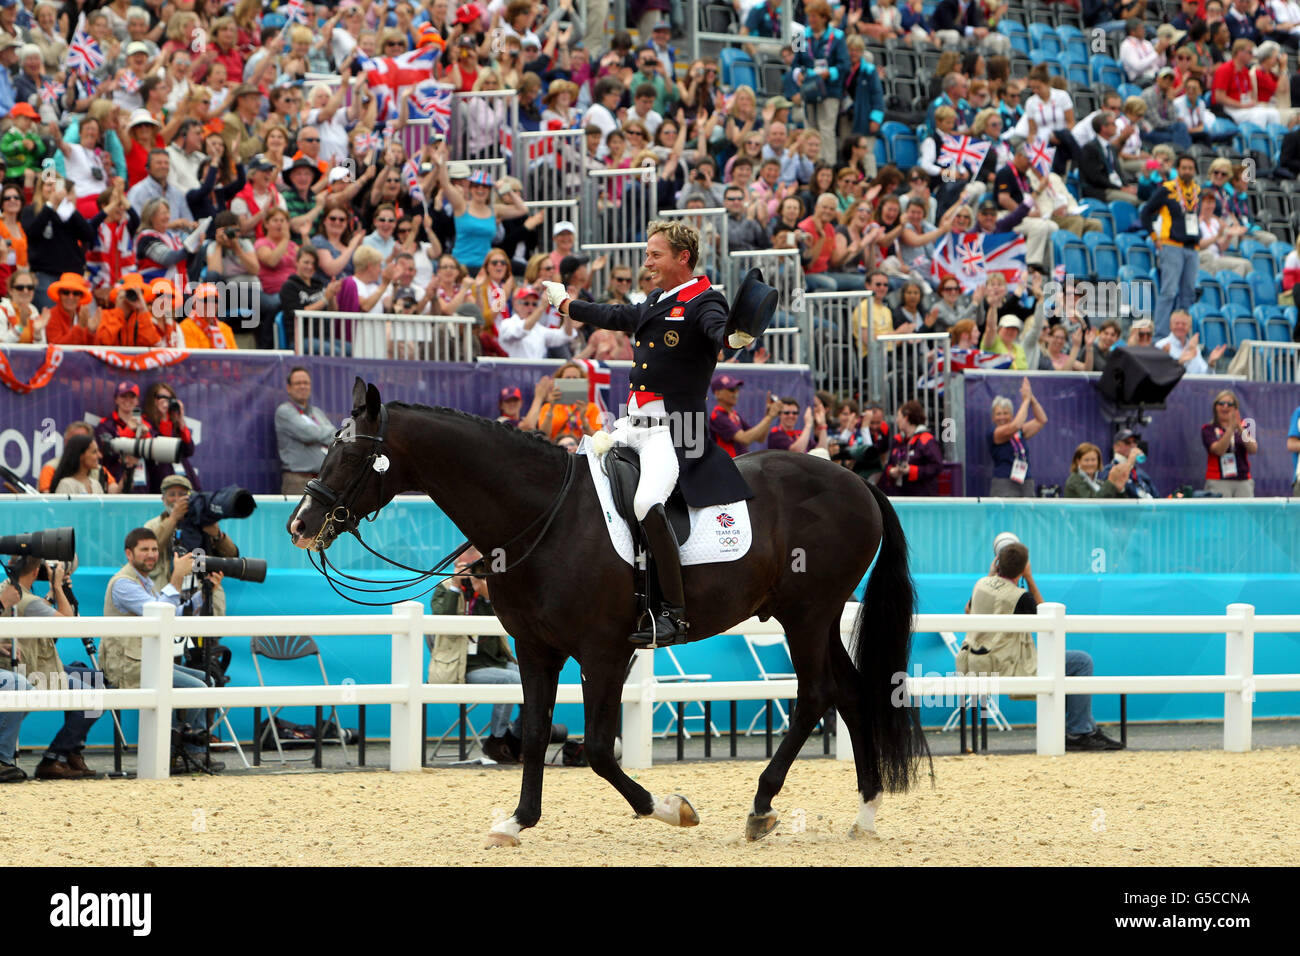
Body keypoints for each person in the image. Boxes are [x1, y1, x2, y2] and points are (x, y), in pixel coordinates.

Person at [542, 220, 760, 645]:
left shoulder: (704, 300)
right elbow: (616, 314)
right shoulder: (658, 299)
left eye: (655, 254)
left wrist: (732, 338)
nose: (647, 262)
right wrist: (568, 305)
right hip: (632, 425)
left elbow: (719, 332)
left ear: (683, 258)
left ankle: (673, 613)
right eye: (647, 253)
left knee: (646, 501)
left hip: (674, 430)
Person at [956, 541, 1124, 751]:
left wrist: (992, 575)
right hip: (1008, 666)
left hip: (973, 664)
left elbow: (967, 609)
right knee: (1081, 662)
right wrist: (1029, 579)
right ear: (1024, 567)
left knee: (1073, 665)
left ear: (997, 563)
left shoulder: (981, 584)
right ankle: (1079, 731)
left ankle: (1085, 728)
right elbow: (1047, 620)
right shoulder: (1020, 596)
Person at [100, 528, 225, 773]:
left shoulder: (144, 581)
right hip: (129, 667)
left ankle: (192, 750)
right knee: (199, 689)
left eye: (154, 549)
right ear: (129, 553)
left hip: (147, 661)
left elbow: (173, 613)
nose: (151, 555)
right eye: (144, 550)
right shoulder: (123, 583)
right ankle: (176, 749)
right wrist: (177, 577)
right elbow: (159, 615)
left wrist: (205, 591)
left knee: (206, 680)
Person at [426, 547, 566, 764]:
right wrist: (456, 585)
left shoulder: (491, 589)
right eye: (468, 566)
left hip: (494, 661)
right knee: (512, 680)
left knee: (536, 678)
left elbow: (508, 618)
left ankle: (517, 740)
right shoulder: (444, 588)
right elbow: (443, 620)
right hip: (462, 667)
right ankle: (496, 740)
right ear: (457, 564)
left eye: (477, 566)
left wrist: (488, 596)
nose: (473, 571)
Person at [0, 555, 103, 779]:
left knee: (91, 676)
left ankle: (73, 751)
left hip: (40, 663)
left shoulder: (13, 591)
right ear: (37, 571)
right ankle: (55, 758)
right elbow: (66, 624)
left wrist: (53, 593)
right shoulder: (26, 600)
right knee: (94, 694)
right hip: (35, 671)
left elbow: (41, 614)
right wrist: (56, 585)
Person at [1142, 153, 1202, 339]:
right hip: (1171, 245)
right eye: (1183, 168)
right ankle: (1160, 334)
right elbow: (1146, 213)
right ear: (1178, 169)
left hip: (1192, 249)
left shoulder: (1197, 191)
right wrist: (1154, 237)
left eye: (1190, 168)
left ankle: (1181, 334)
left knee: (1187, 294)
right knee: (1168, 291)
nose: (1187, 171)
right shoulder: (1166, 189)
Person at [276, 367, 337, 496]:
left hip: (322, 480)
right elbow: (309, 433)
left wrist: (322, 434)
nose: (302, 386)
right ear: (289, 388)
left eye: (306, 383)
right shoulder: (284, 411)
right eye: (298, 383)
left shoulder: (317, 412)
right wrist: (325, 432)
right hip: (298, 481)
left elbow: (335, 437)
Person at [988, 379, 1048, 496]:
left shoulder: (1019, 432)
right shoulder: (994, 433)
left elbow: (1042, 420)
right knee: (1005, 514)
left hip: (1025, 479)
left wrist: (1031, 398)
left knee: (1026, 513)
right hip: (1004, 482)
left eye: (1006, 413)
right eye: (998, 414)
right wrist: (1025, 401)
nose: (1002, 417)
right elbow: (1015, 425)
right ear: (993, 418)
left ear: (1011, 415)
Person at [878, 399, 943, 496]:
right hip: (899, 495)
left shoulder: (926, 440)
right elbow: (889, 464)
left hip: (922, 497)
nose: (896, 420)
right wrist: (891, 472)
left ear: (906, 418)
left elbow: (936, 467)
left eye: (899, 416)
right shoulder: (898, 440)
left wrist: (911, 471)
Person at [708, 373, 781, 458]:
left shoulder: (734, 415)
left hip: (739, 465)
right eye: (731, 390)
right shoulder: (718, 416)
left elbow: (761, 438)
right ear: (717, 394)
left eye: (737, 389)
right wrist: (769, 417)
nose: (736, 393)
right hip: (728, 466)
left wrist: (768, 415)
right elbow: (745, 439)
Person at [1203, 389, 1257, 496]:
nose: (1225, 406)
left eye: (1230, 404)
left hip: (1242, 480)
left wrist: (1240, 428)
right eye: (1221, 403)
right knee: (1222, 512)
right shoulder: (1208, 429)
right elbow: (1218, 450)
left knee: (1244, 512)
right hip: (1218, 480)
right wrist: (1230, 429)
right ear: (1215, 407)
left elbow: (1253, 449)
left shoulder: (1245, 426)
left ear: (1236, 408)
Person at [1156, 310, 1228, 373]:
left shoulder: (1195, 348)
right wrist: (1179, 363)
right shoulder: (1161, 346)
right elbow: (1158, 375)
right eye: (1177, 323)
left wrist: (1211, 363)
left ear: (1190, 327)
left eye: (1184, 324)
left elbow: (1205, 377)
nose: (1180, 326)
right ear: (1170, 325)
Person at [1064, 442, 1129, 497]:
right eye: (1086, 460)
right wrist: (1111, 481)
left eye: (1093, 460)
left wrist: (1120, 490)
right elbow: (1093, 504)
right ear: (1078, 461)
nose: (1090, 463)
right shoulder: (1074, 480)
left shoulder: (1098, 482)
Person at [1111, 428, 1159, 498]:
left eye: (1135, 442)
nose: (1132, 445)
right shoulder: (1110, 469)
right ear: (1116, 447)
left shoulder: (1140, 473)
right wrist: (1130, 461)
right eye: (1127, 442)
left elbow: (1157, 497)